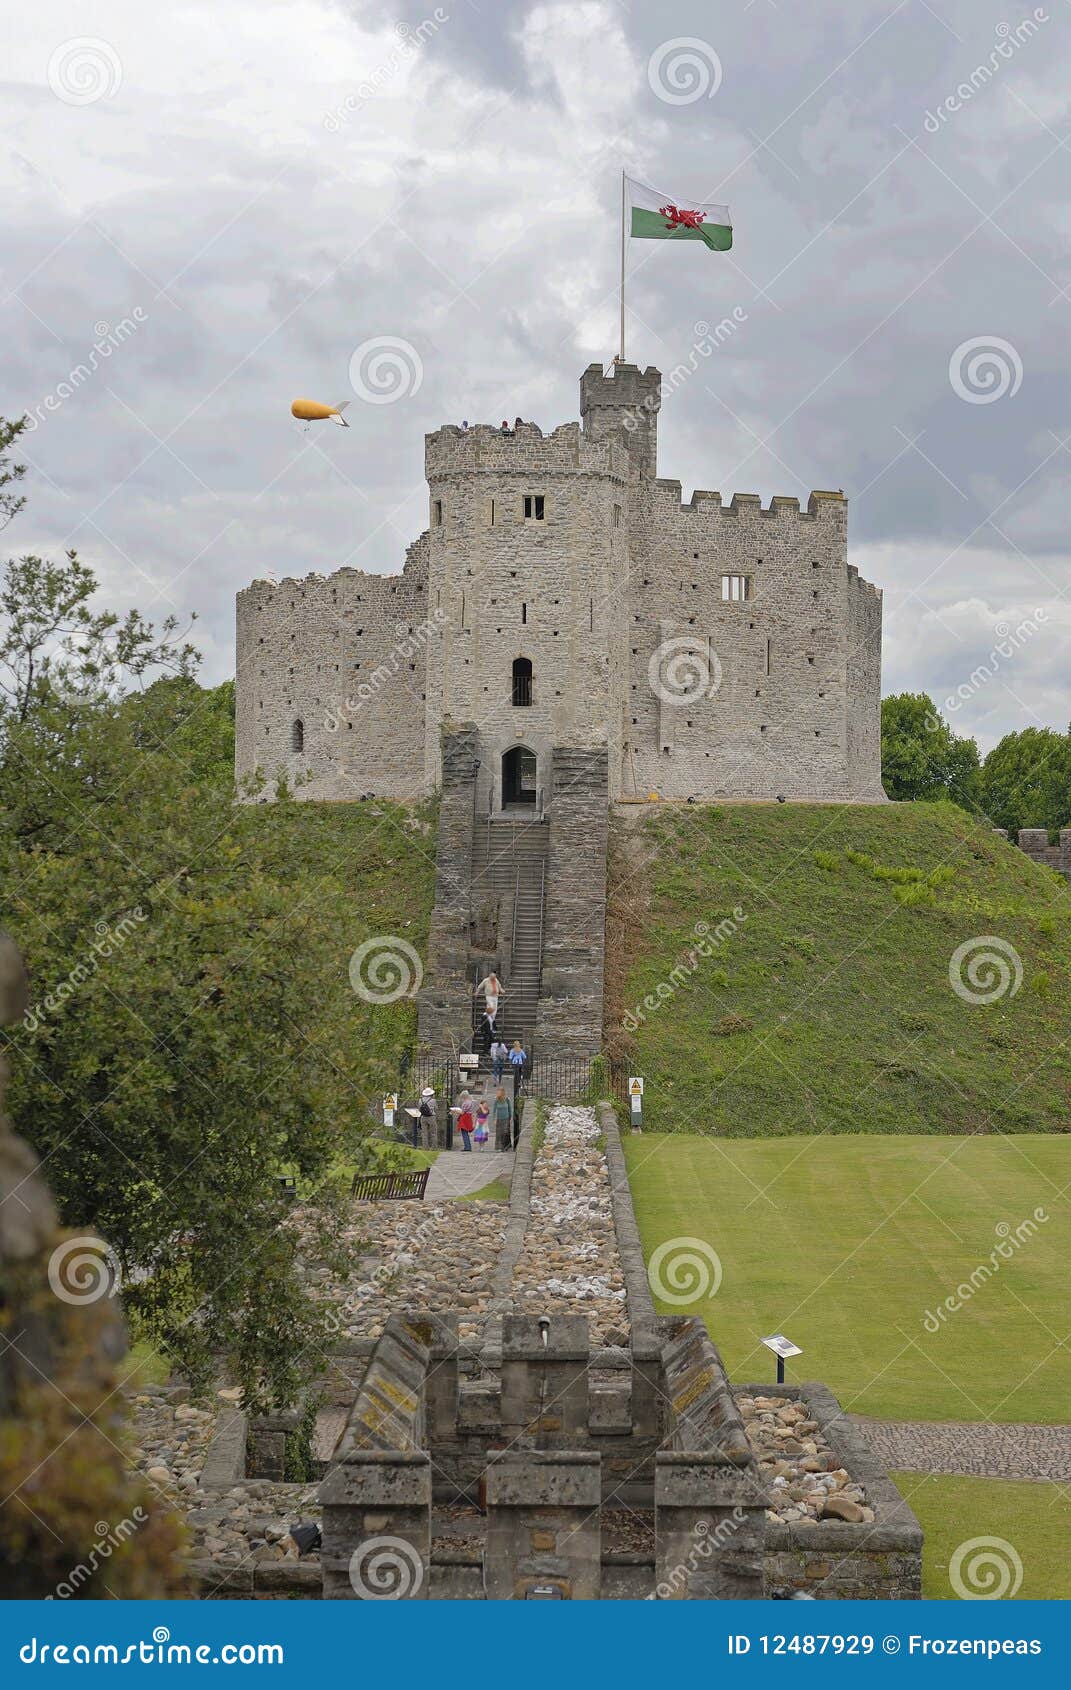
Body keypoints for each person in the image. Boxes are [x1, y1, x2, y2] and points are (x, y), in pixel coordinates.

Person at [492, 1087, 512, 1152]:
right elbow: (494, 1110)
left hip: (506, 1118)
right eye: (497, 1091)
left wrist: (510, 1118)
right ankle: (499, 1147)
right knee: (499, 1133)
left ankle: (504, 1146)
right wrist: (494, 1119)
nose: (497, 1093)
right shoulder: (496, 1100)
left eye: (499, 1091)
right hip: (499, 1119)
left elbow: (510, 1109)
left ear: (502, 1092)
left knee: (504, 1132)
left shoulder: (507, 1099)